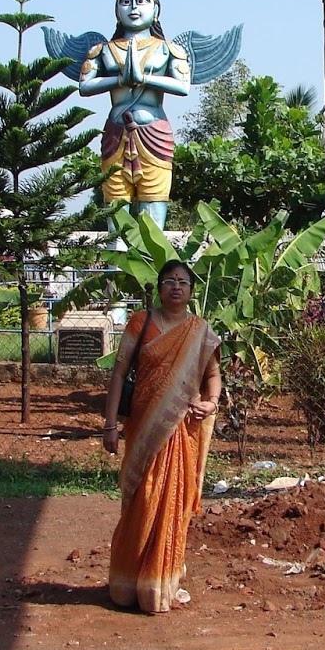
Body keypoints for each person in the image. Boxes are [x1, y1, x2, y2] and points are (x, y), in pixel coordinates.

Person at [102, 259, 222, 613]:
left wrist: (211, 403)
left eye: (182, 282)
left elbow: (212, 376)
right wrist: (109, 424)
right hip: (142, 429)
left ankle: (159, 584)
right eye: (169, 281)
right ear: (159, 288)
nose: (176, 287)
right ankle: (127, 582)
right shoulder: (140, 323)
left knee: (172, 502)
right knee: (141, 502)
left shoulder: (200, 331)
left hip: (181, 432)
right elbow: (119, 374)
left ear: (191, 291)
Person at [78, 0, 191, 230]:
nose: (134, 8)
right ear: (116, 8)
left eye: (142, 0)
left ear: (156, 8)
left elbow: (183, 86)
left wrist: (145, 78)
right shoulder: (103, 50)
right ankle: (117, 259)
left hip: (154, 133)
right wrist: (119, 79)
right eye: (126, 1)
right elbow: (84, 86)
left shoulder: (168, 50)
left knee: (153, 212)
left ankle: (152, 258)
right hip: (116, 133)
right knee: (116, 210)